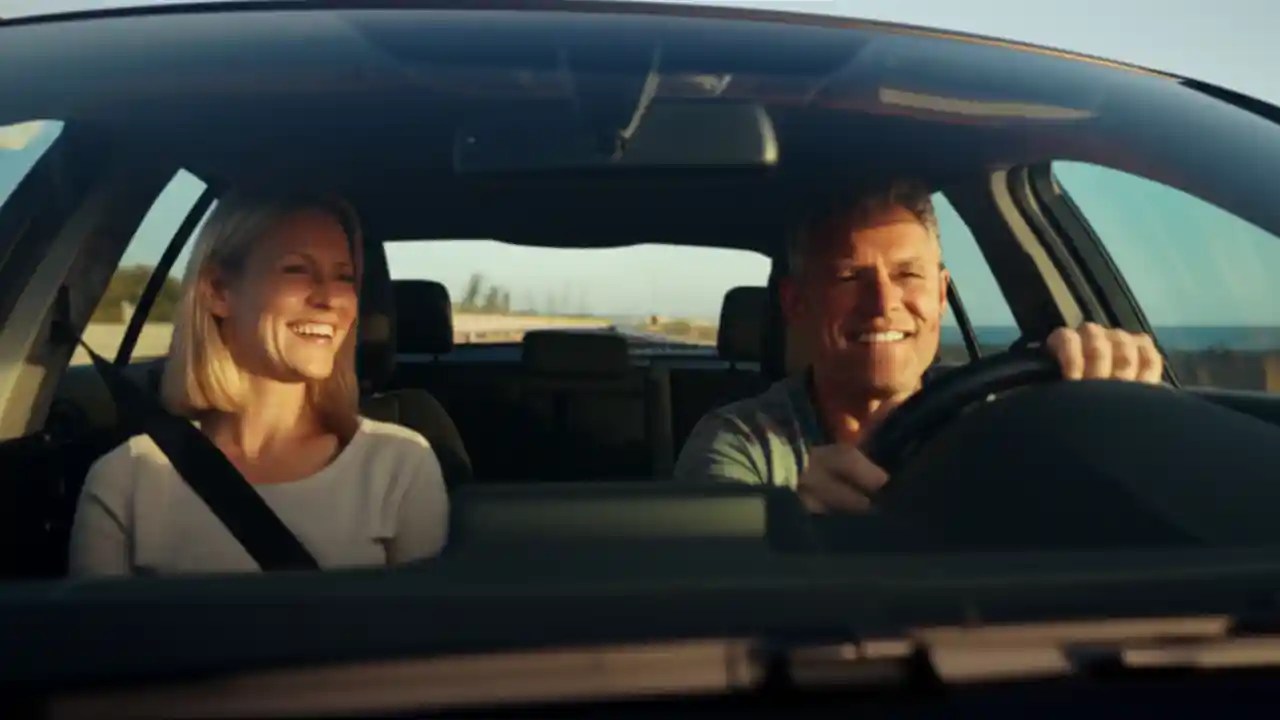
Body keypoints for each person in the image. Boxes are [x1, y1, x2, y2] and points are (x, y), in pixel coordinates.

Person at [674, 180, 1163, 513]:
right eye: (849, 277)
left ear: (941, 294)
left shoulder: (1003, 413)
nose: (883, 303)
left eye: (908, 274)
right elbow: (708, 590)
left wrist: (1113, 391)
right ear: (796, 302)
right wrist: (784, 526)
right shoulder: (743, 445)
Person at [68, 190, 449, 575]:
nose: (331, 297)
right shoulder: (128, 478)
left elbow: (422, 631)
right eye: (297, 269)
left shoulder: (398, 464)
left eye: (345, 277)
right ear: (217, 290)